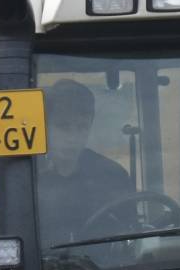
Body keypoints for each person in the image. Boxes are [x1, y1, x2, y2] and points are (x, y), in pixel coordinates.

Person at [38, 79, 135, 243]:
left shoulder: (113, 175)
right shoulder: (26, 177)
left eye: (82, 127)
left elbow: (131, 233)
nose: (73, 137)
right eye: (63, 126)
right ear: (45, 126)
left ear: (90, 126)